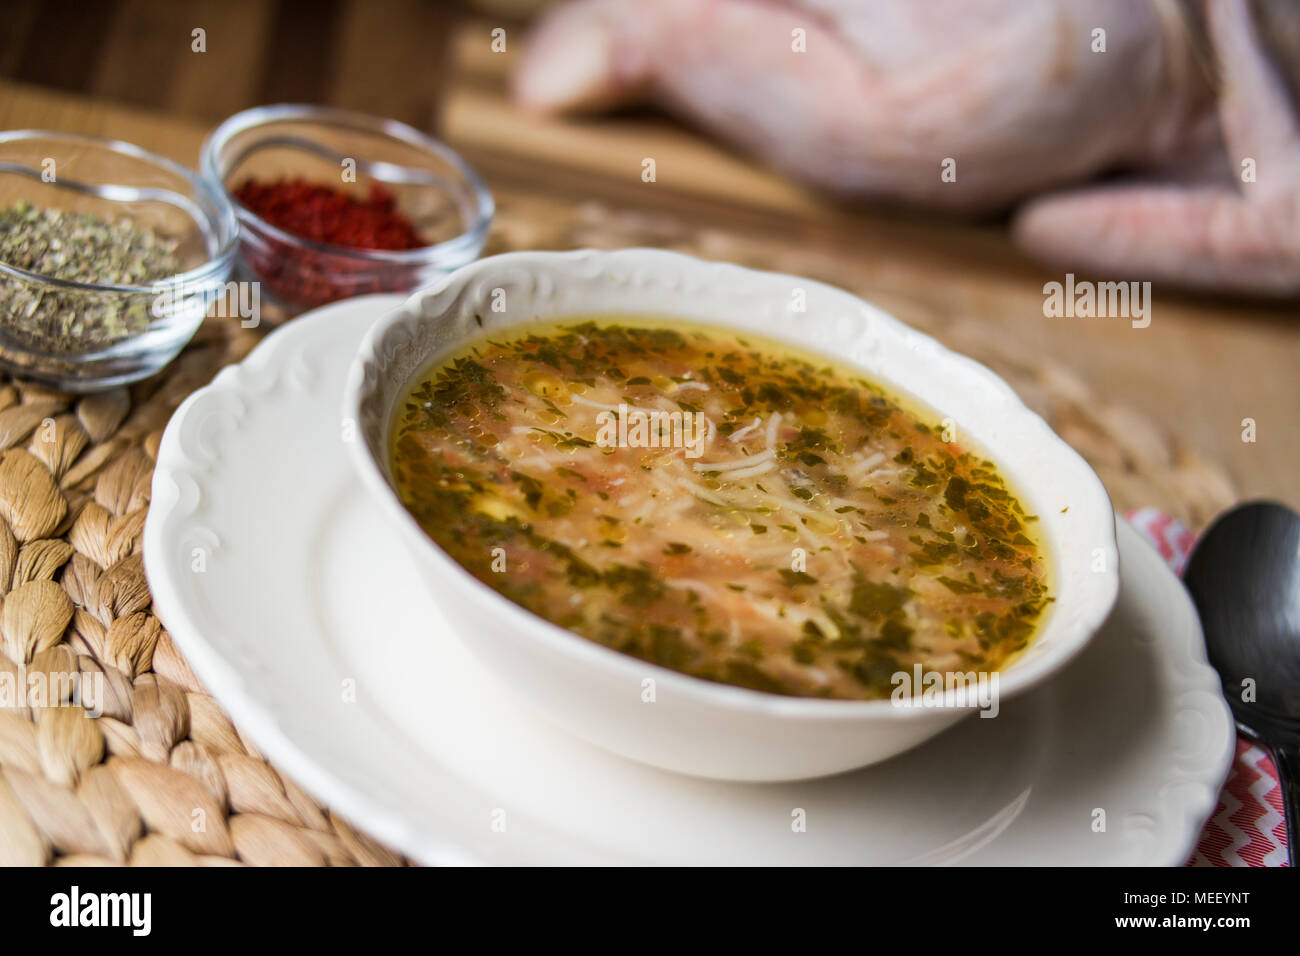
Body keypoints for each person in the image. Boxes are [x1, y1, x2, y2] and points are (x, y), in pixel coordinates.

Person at [513, 0, 1299, 295]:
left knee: (882, 123)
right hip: (1068, 87)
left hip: (1083, 65)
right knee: (875, 127)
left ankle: (641, 35)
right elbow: (1049, 227)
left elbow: (1046, 228)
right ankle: (643, 36)